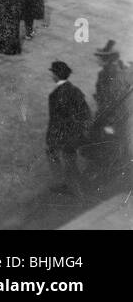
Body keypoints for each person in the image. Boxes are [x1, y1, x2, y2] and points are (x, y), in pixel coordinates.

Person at [89, 40, 133, 181]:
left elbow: (113, 99)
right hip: (113, 115)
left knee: (108, 143)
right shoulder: (113, 70)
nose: (97, 59)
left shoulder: (109, 74)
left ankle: (108, 174)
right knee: (116, 142)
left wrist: (108, 122)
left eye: (100, 57)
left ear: (105, 59)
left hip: (111, 116)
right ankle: (118, 168)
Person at [46, 60, 91, 197]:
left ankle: (74, 190)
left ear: (55, 75)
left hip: (64, 136)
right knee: (70, 160)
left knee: (62, 159)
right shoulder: (75, 90)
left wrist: (51, 138)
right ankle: (73, 186)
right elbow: (86, 113)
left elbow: (56, 121)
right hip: (76, 134)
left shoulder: (55, 95)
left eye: (52, 73)